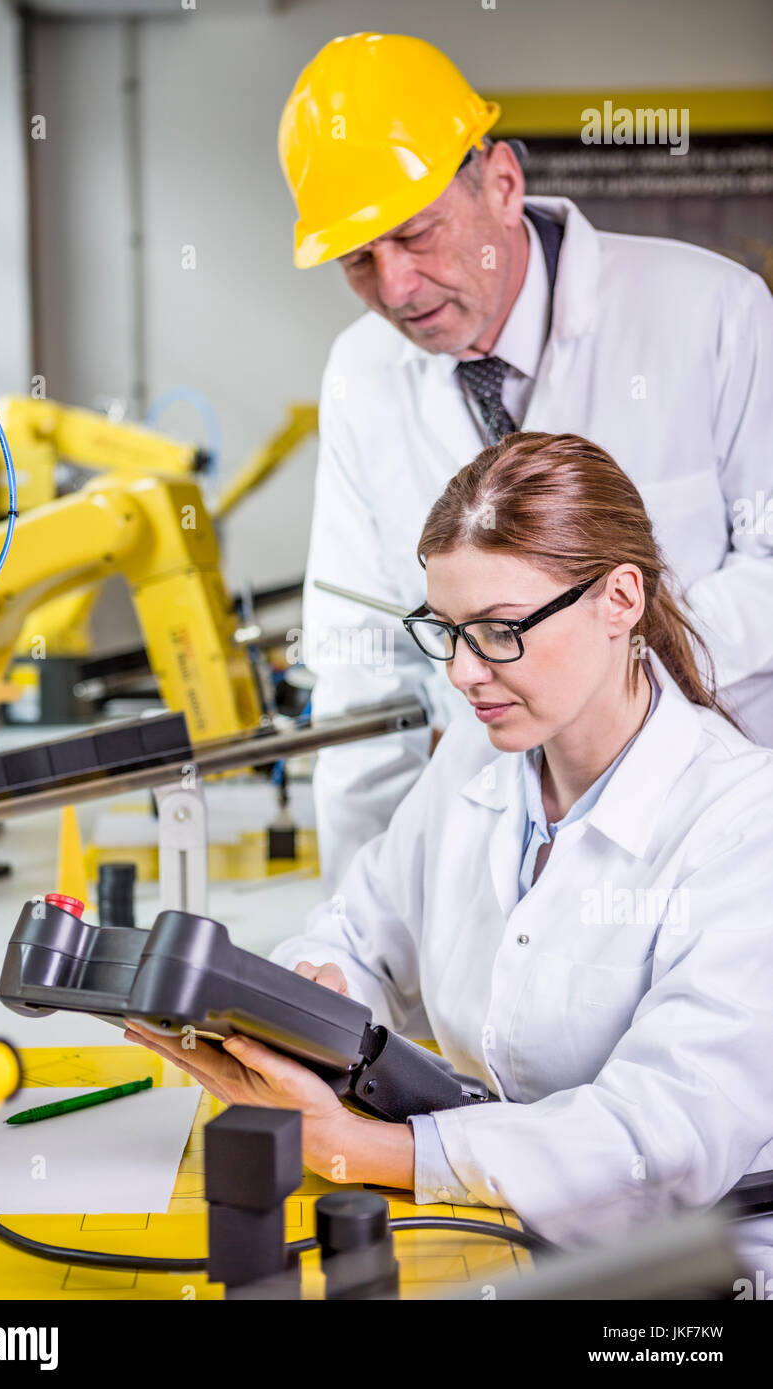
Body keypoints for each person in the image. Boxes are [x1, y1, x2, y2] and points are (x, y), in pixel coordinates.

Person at [126, 432, 773, 1278]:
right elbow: (357, 934)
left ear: (621, 599)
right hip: (495, 1223)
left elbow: (657, 1139)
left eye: (501, 632)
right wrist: (307, 1007)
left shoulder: (740, 822)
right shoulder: (479, 760)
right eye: (448, 631)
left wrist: (372, 1150)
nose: (465, 673)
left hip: (692, 1265)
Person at [278, 32, 773, 892]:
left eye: (417, 234)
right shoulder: (363, 374)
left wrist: (599, 666)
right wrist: (356, 942)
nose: (395, 287)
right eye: (358, 260)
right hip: (496, 845)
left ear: (501, 183)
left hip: (712, 829)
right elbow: (362, 664)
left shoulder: (711, 312)